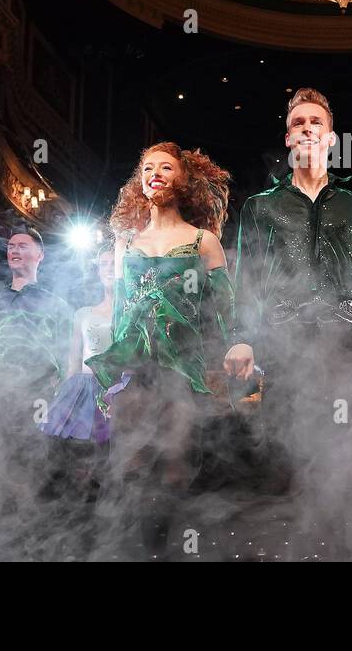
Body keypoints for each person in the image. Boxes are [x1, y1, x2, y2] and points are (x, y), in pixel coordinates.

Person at [223, 88, 352, 552]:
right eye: (298, 122)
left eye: (315, 122)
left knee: (346, 453)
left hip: (344, 349)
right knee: (286, 453)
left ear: (332, 137)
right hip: (284, 348)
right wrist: (241, 338)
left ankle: (340, 546)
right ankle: (291, 547)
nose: (307, 129)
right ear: (288, 137)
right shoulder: (260, 206)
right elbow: (247, 280)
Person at [86, 142, 233, 555]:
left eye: (166, 167)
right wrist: (112, 370)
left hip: (182, 368)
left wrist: (230, 352)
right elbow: (119, 312)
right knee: (129, 465)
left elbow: (224, 308)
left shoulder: (203, 242)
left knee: (174, 468)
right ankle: (126, 551)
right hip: (134, 368)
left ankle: (161, 550)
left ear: (182, 179)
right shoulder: (126, 243)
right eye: (147, 166)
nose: (154, 172)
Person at [0, 226, 72, 556]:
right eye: (11, 246)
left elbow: (67, 361)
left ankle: (37, 546)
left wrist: (62, 407)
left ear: (40, 255)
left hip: (41, 403)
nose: (15, 250)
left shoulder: (58, 307)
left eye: (23, 245)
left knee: (38, 477)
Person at [40, 247, 113, 445]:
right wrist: (62, 396)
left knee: (117, 449)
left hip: (121, 391)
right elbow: (74, 361)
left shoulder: (136, 313)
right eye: (104, 264)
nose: (110, 269)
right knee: (78, 453)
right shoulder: (83, 314)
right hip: (84, 389)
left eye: (115, 264)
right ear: (97, 271)